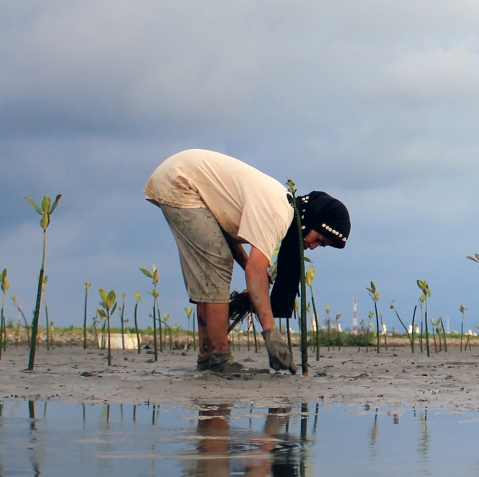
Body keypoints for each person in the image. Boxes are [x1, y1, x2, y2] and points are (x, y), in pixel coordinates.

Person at [144, 149, 350, 374]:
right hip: (182, 181)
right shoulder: (278, 213)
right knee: (217, 263)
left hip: (183, 179)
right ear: (311, 221)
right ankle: (219, 356)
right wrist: (271, 332)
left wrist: (246, 263)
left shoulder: (283, 206)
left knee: (215, 261)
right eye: (318, 239)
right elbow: (255, 269)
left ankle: (207, 357)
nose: (313, 246)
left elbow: (224, 232)